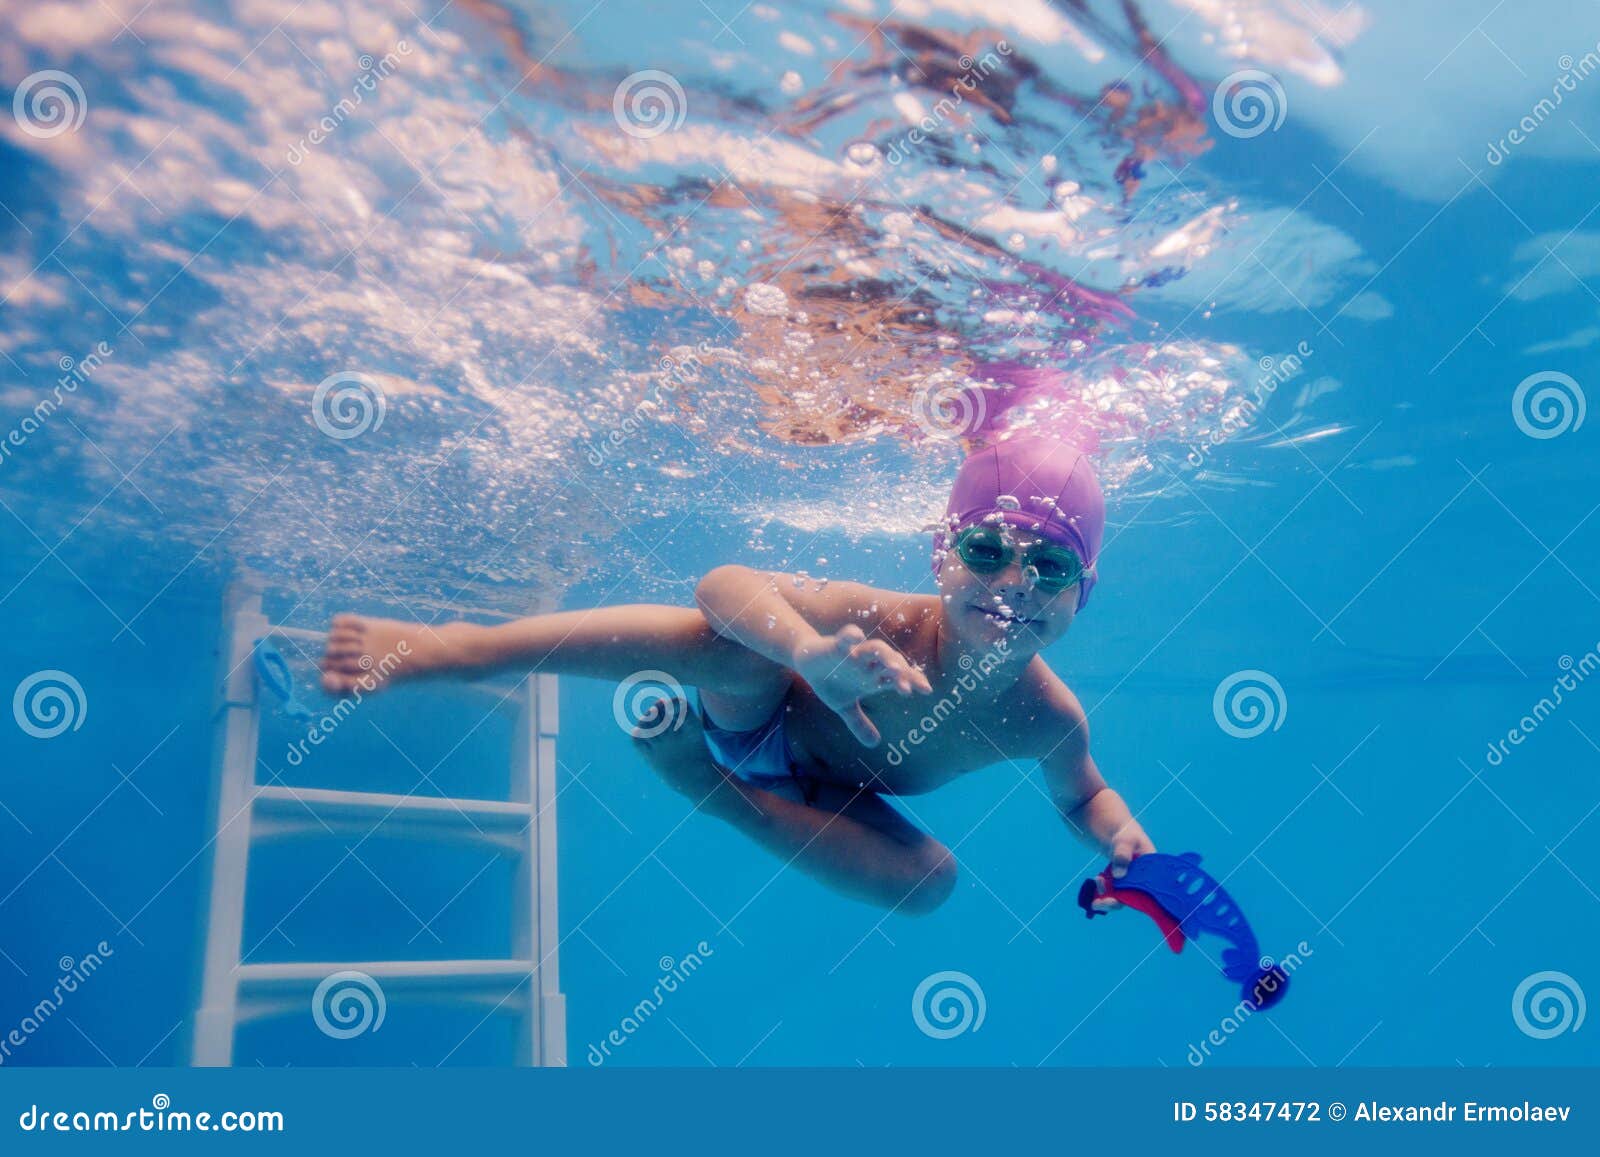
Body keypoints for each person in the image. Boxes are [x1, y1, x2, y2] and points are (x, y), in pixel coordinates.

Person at [319, 436, 1155, 915]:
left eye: (1048, 566)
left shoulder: (1049, 717)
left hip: (819, 806)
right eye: (985, 551)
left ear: (1083, 592)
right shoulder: (886, 618)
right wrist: (806, 652)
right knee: (729, 643)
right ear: (942, 554)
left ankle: (707, 789)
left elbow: (1082, 794)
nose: (1013, 585)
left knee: (930, 887)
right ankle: (467, 647)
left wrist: (1118, 835)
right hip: (758, 719)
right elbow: (722, 585)